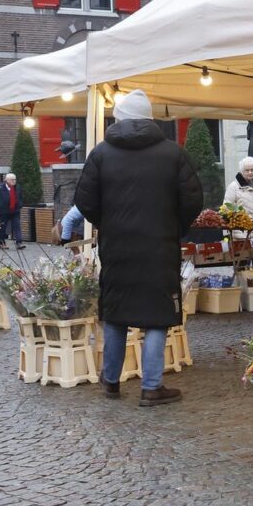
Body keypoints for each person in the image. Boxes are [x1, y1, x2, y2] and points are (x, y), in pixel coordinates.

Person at [74, 89, 203, 407]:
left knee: (117, 313)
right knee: (157, 314)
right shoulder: (173, 153)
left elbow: (85, 201)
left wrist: (110, 223)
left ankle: (111, 381)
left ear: (118, 118)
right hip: (159, 247)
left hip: (117, 247)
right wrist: (174, 228)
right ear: (149, 119)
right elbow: (193, 200)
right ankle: (151, 387)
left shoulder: (101, 153)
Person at [0, 172, 25, 249]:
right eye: (12, 180)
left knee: (17, 226)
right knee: (2, 227)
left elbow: (21, 197)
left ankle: (19, 243)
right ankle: (2, 243)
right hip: (4, 211)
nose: (14, 181)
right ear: (7, 180)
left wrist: (20, 205)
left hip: (15, 210)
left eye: (15, 179)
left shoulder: (18, 187)